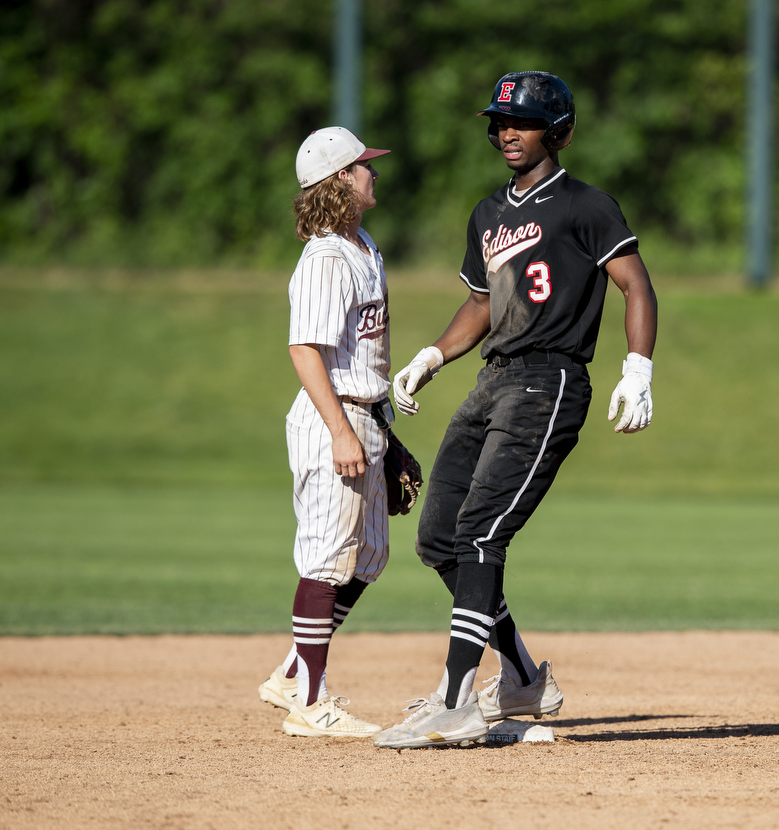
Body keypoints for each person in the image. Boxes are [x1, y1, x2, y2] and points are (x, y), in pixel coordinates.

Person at [373, 71, 658, 748]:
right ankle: (523, 676)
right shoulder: (488, 213)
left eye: (522, 122)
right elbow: (481, 303)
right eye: (498, 122)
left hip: (548, 382)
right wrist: (433, 356)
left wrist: (638, 368)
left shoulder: (585, 206)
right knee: (439, 538)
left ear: (557, 132)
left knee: (478, 533)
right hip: (491, 381)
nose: (506, 132)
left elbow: (636, 286)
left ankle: (456, 700)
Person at [257, 127, 394, 738]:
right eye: (363, 166)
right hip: (329, 417)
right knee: (327, 559)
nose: (372, 172)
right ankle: (310, 705)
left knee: (368, 559)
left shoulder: (362, 244)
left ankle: (292, 669)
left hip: (364, 414)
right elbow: (304, 350)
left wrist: (387, 437)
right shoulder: (324, 258)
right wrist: (342, 432)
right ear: (340, 179)